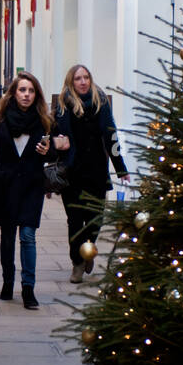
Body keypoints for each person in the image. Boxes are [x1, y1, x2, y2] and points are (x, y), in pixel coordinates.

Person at [0, 73, 69, 309]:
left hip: (31, 185)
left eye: (31, 91)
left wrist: (49, 152)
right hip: (5, 185)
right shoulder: (0, 121)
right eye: (22, 90)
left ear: (37, 95)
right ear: (14, 93)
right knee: (7, 238)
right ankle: (7, 281)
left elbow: (58, 152)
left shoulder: (44, 122)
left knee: (27, 236)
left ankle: (28, 288)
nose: (26, 95)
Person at [52, 64, 130, 284]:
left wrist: (120, 167)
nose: (83, 82)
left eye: (86, 77)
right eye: (78, 78)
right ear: (71, 82)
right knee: (75, 222)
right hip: (72, 173)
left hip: (96, 172)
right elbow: (55, 138)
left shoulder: (100, 103)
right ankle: (77, 263)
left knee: (95, 220)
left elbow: (111, 136)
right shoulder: (63, 106)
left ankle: (87, 250)